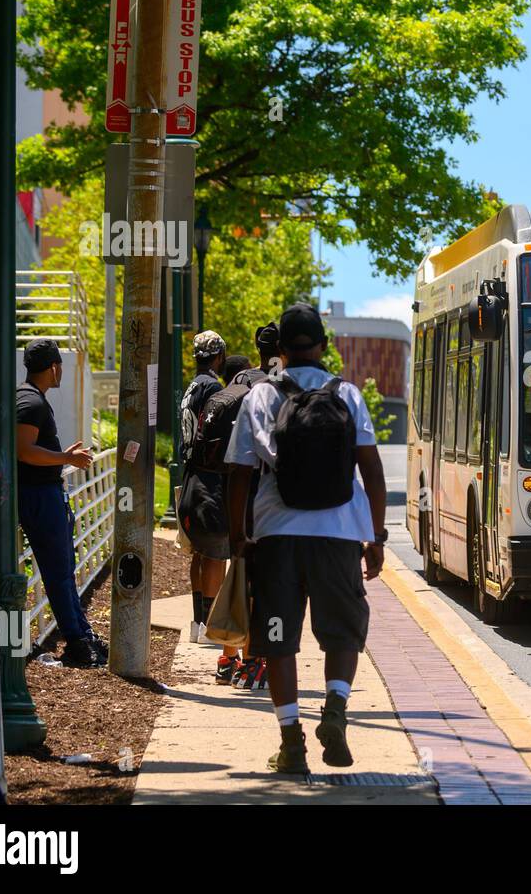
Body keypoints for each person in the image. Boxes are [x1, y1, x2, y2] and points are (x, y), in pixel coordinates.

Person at [225, 304, 387, 773]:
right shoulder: (348, 395)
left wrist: (239, 536)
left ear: (279, 350)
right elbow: (371, 468)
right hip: (338, 535)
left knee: (278, 637)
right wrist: (375, 536)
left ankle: (291, 742)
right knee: (342, 629)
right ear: (323, 345)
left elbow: (238, 473)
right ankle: (335, 710)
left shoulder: (259, 397)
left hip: (278, 534)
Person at [15, 339, 106, 668]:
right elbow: (23, 450)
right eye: (60, 366)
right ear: (53, 367)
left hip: (43, 494)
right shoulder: (31, 402)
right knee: (58, 571)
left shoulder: (28, 398)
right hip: (40, 497)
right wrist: (66, 457)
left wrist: (62, 458)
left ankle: (83, 634)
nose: (62, 371)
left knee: (63, 570)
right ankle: (79, 644)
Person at [177, 330, 239, 684]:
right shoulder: (214, 390)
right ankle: (208, 624)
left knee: (200, 553)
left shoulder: (190, 387)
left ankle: (198, 620)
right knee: (216, 553)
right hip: (208, 479)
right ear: (219, 357)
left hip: (190, 477)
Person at [227, 322, 280, 690]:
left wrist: (235, 529)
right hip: (277, 505)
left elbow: (237, 464)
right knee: (271, 588)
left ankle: (234, 659)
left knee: (244, 582)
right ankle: (258, 661)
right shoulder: (286, 386)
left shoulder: (243, 382)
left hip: (246, 499)